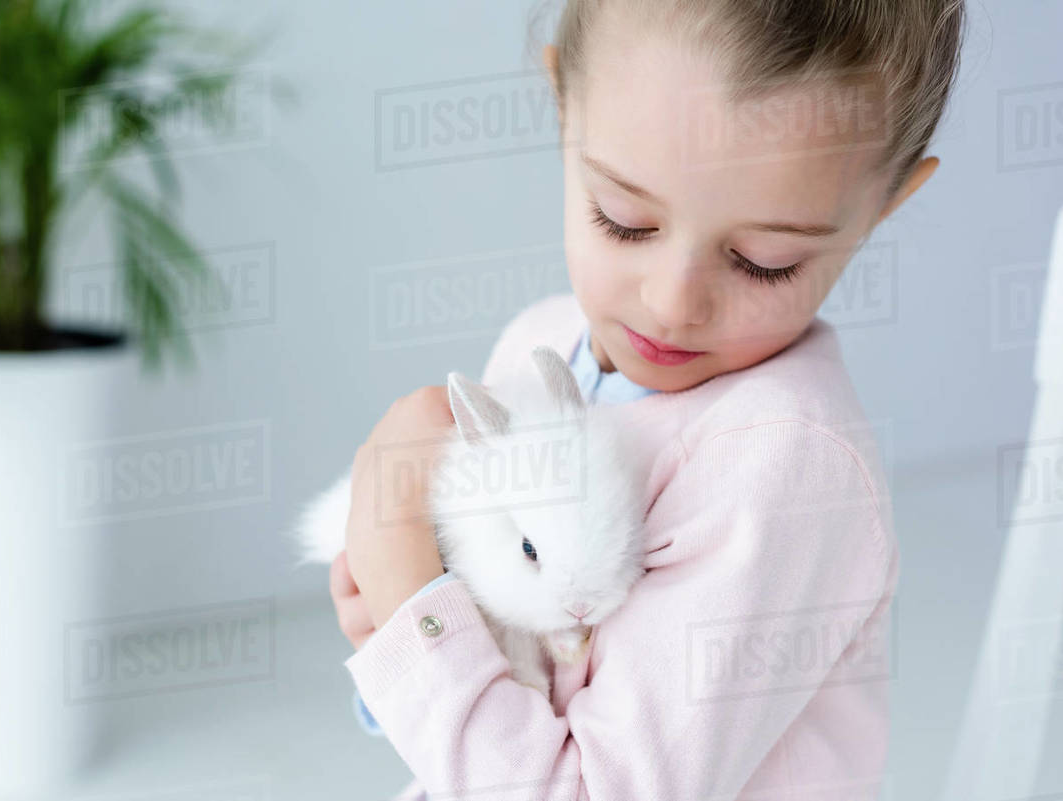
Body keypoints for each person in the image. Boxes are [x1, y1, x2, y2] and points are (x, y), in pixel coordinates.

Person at [331, 1, 966, 798]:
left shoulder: (783, 464)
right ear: (564, 103)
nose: (672, 304)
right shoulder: (544, 345)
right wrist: (408, 630)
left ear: (884, 204)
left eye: (764, 261)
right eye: (624, 221)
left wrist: (412, 615)